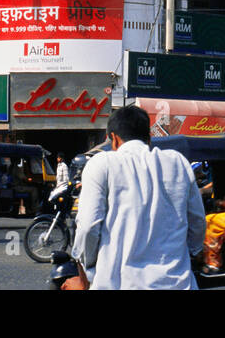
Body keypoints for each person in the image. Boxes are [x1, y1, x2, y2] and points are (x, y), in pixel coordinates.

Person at [70, 105, 206, 289]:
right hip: (177, 283)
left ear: (114, 139)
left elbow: (88, 226)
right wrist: (189, 252)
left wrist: (89, 267)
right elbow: (197, 221)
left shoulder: (102, 163)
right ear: (149, 139)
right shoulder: (177, 162)